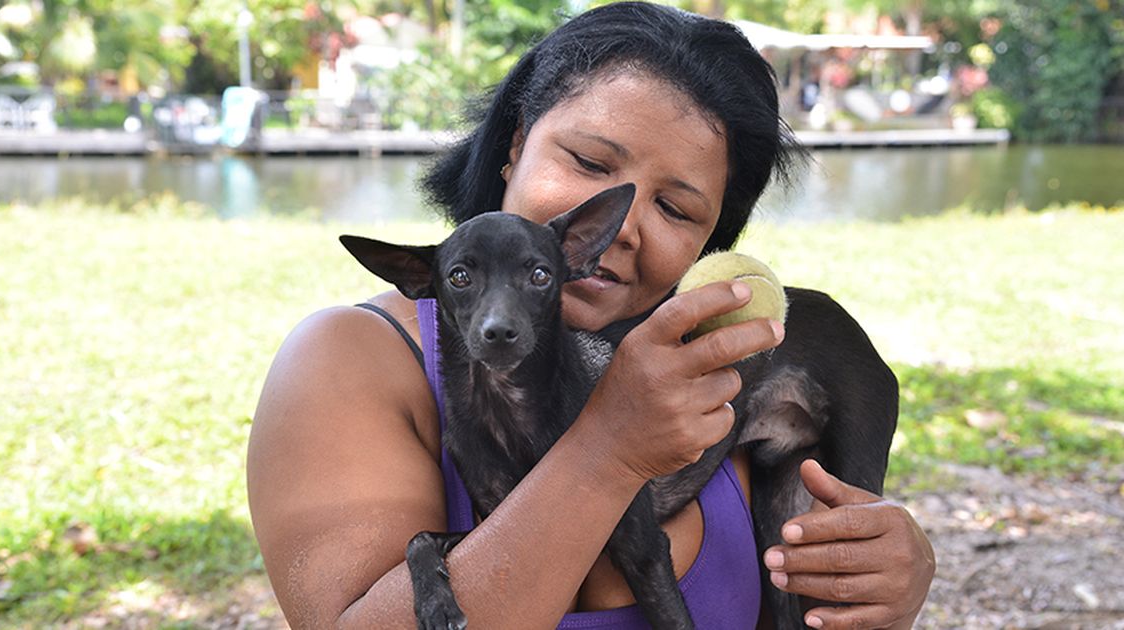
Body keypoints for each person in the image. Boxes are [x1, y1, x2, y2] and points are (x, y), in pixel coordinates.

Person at [247, 3, 935, 628]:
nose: (621, 225)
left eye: (676, 210)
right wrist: (609, 449)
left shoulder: (715, 380)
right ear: (517, 143)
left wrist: (888, 588)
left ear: (709, 244)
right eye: (587, 161)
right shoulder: (350, 361)